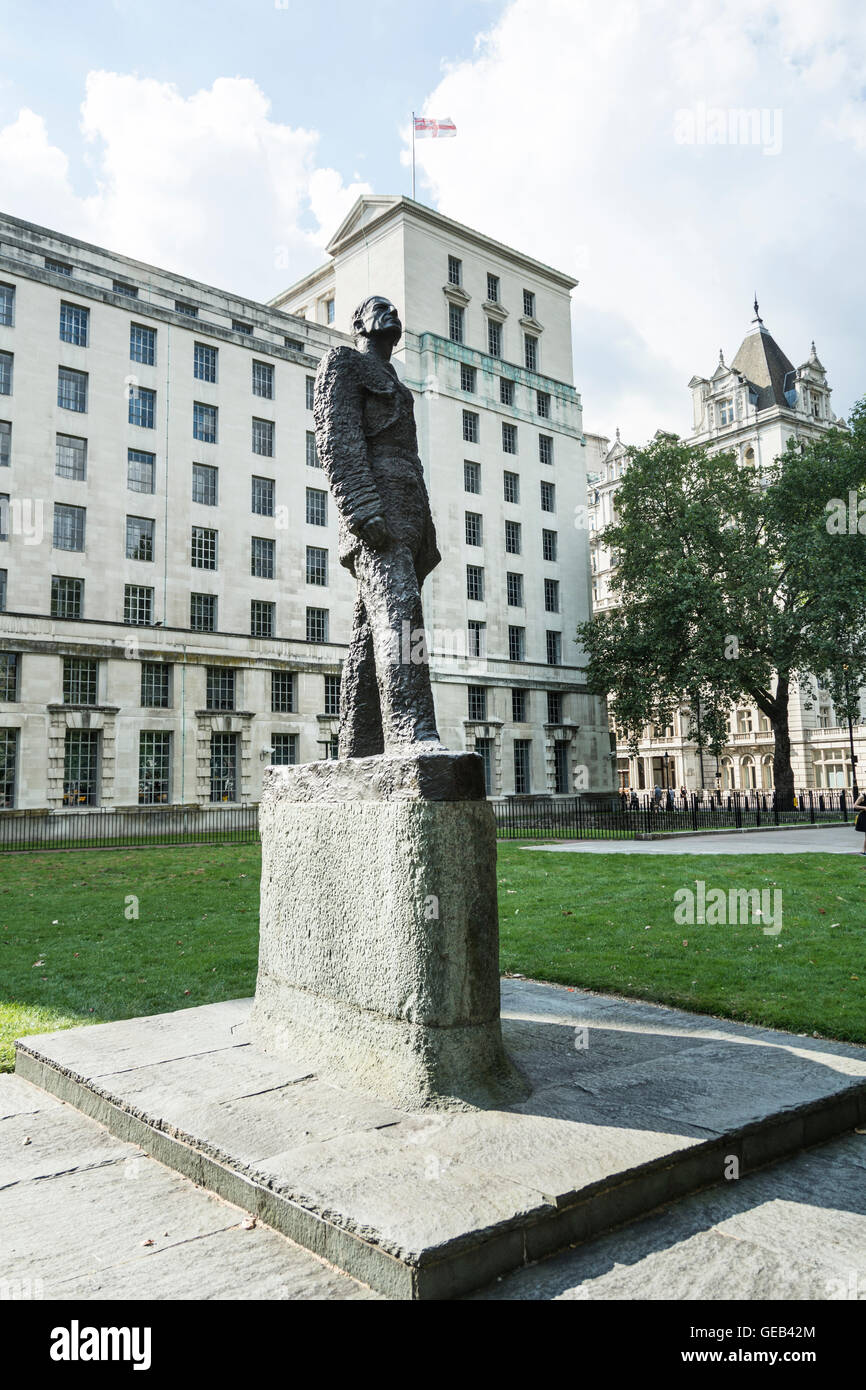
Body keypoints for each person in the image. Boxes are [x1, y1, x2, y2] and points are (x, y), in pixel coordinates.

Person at [314, 295, 442, 757]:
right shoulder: (344, 363)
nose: (390, 313)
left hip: (408, 515)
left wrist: (425, 532)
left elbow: (412, 459)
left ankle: (358, 744)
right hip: (378, 514)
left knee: (371, 632)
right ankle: (411, 731)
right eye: (378, 307)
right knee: (401, 614)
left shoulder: (398, 383)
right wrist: (363, 509)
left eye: (394, 308)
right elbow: (335, 435)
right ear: (359, 323)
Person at [853, 788, 866, 854]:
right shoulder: (862, 796)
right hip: (864, 817)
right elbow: (855, 806)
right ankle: (863, 850)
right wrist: (864, 808)